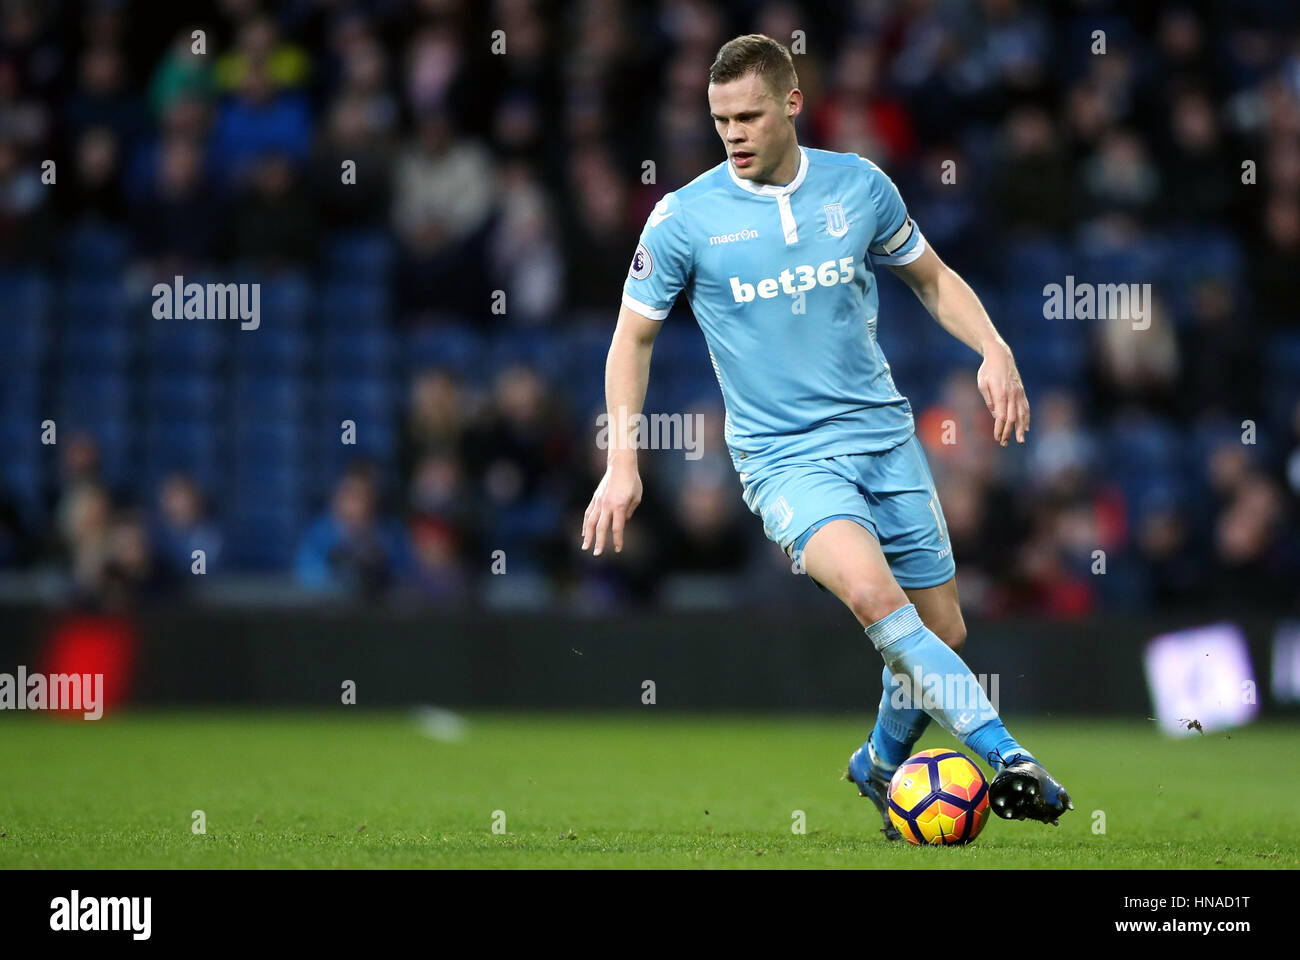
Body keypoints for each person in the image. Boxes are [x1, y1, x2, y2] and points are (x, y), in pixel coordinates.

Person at [580, 34, 1072, 837]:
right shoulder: (683, 219)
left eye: (748, 116)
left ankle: (878, 766)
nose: (733, 134)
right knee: (878, 599)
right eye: (720, 120)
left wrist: (994, 348)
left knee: (942, 629)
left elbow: (933, 279)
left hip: (883, 436)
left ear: (792, 104)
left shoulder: (859, 187)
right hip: (784, 459)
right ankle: (1008, 756)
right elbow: (630, 340)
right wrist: (621, 465)